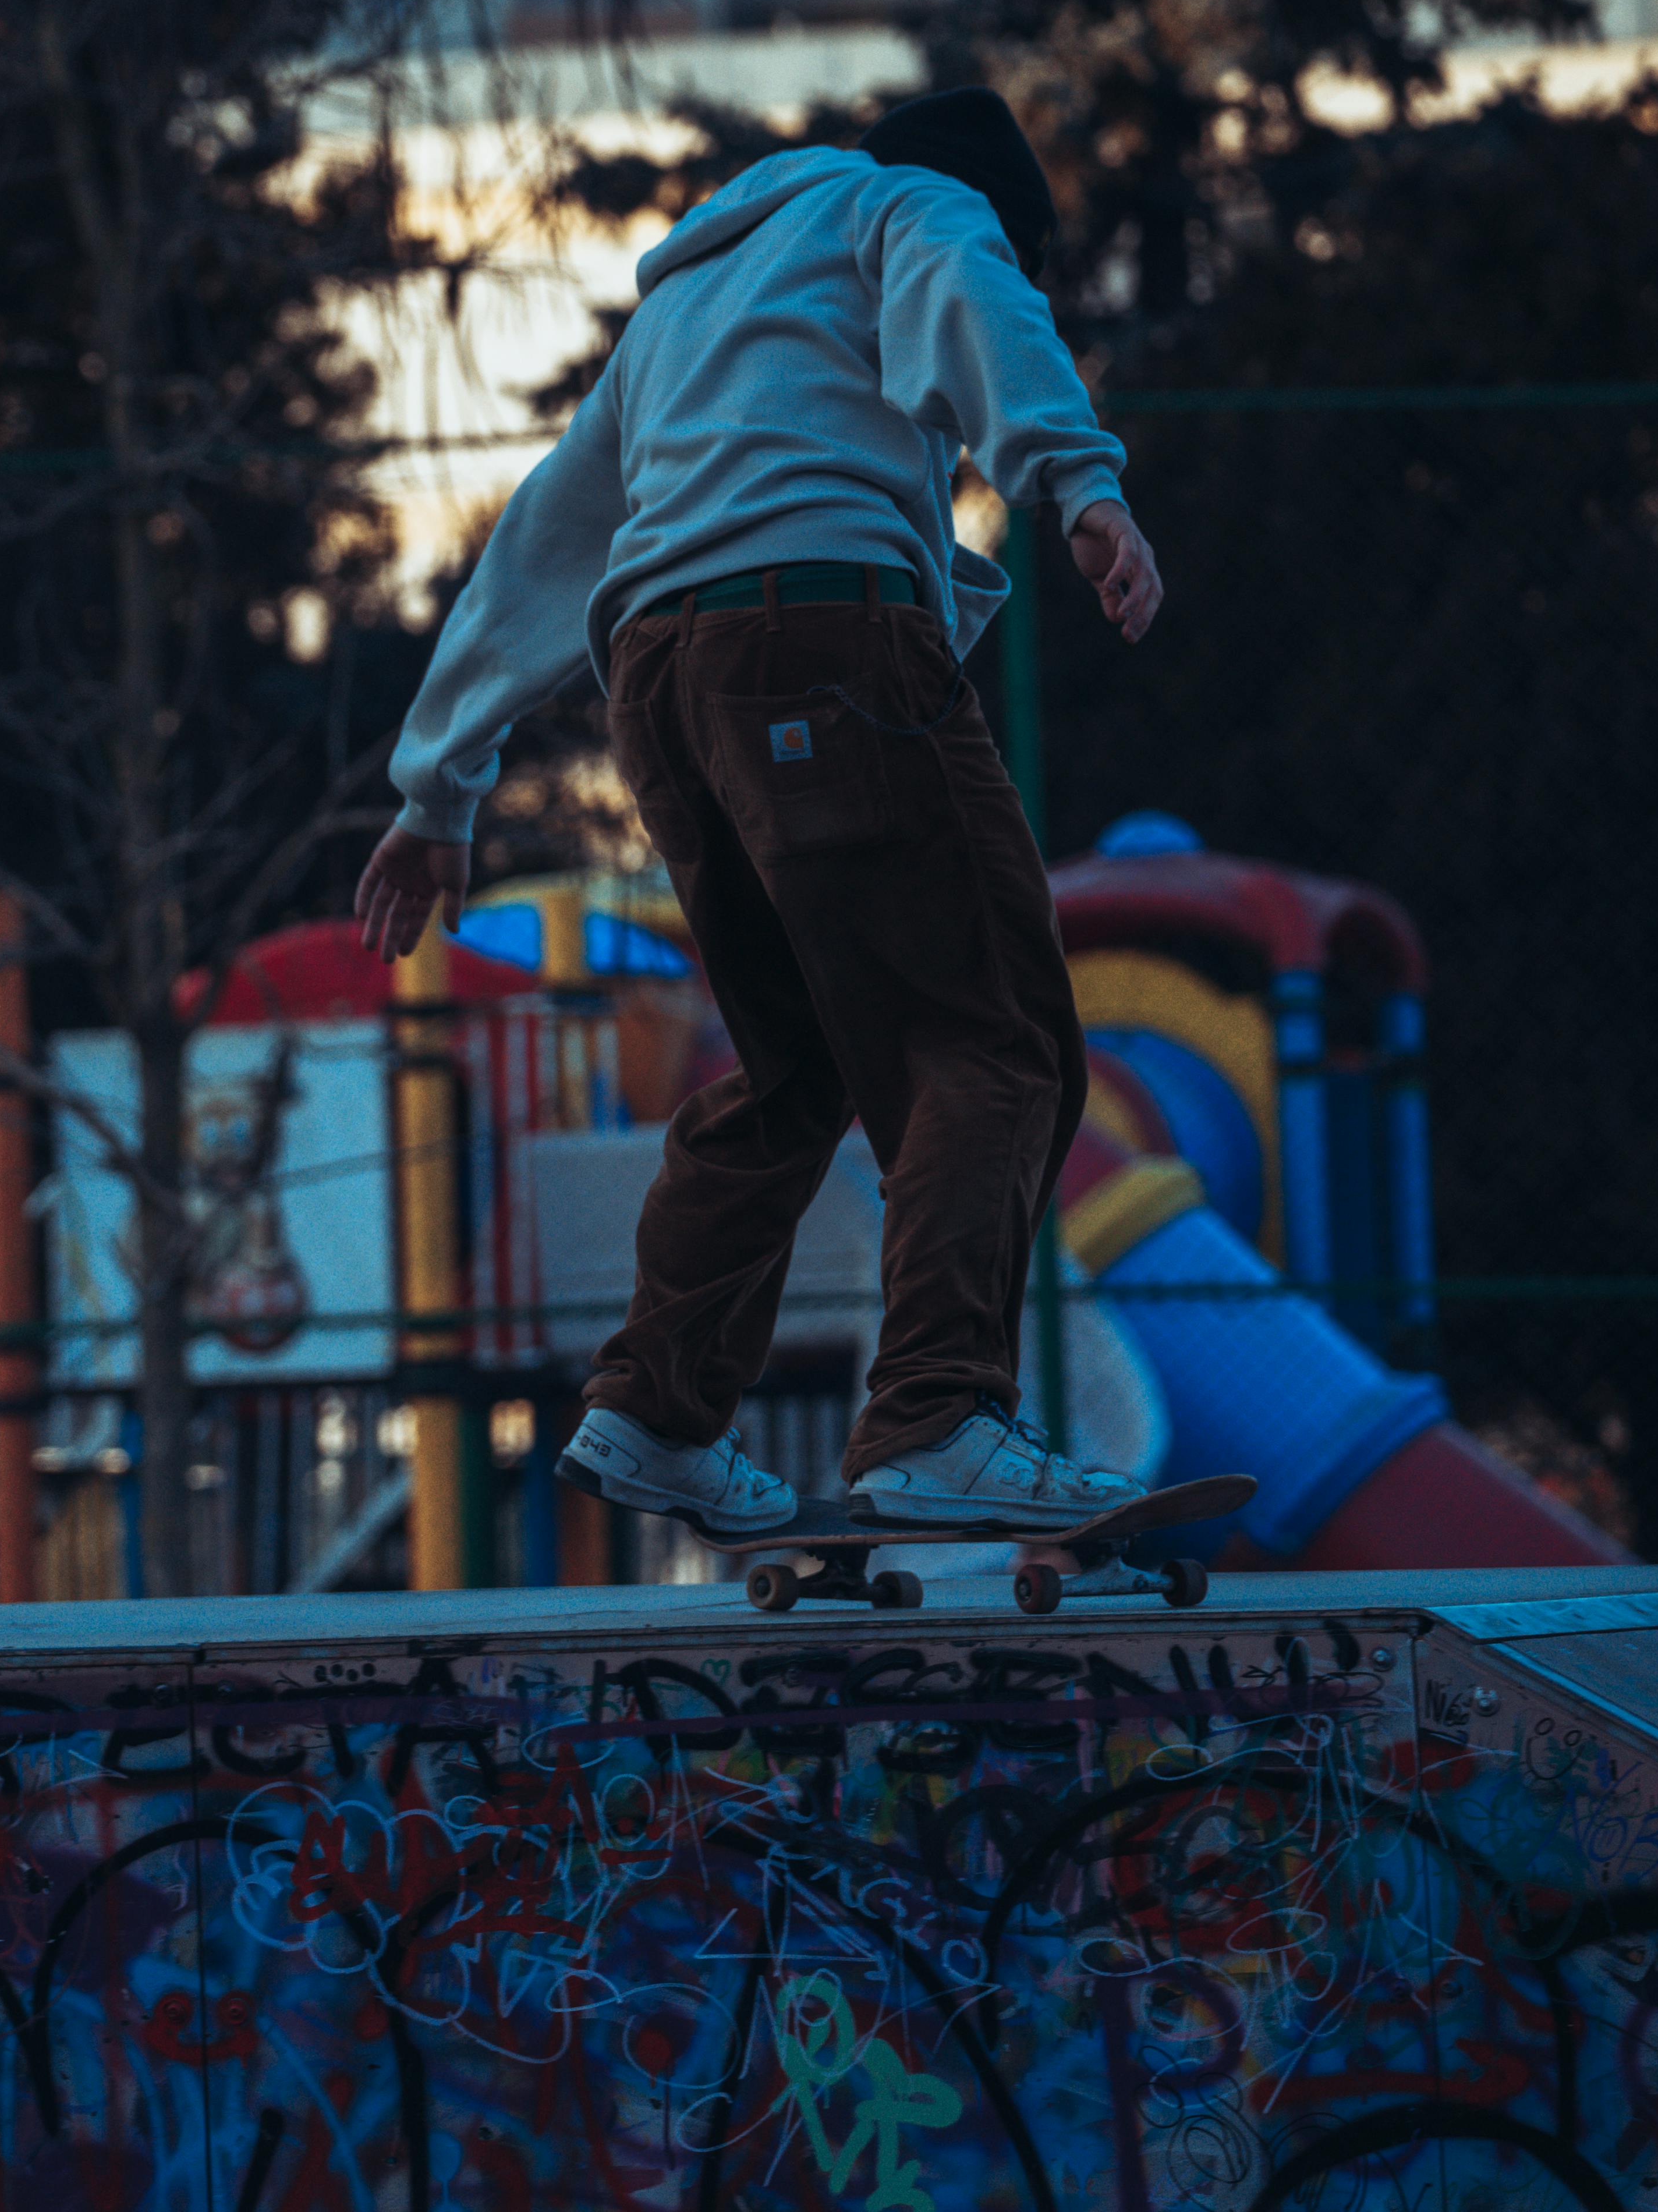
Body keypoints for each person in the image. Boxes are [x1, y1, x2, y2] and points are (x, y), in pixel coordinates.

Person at [351, 87, 1164, 1537]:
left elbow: (547, 526)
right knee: (998, 1033)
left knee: (796, 1067)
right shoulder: (918, 204)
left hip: (659, 691)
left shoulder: (686, 304)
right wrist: (1079, 486)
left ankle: (658, 1409)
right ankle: (938, 1412)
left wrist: (438, 779)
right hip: (825, 646)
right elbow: (973, 291)